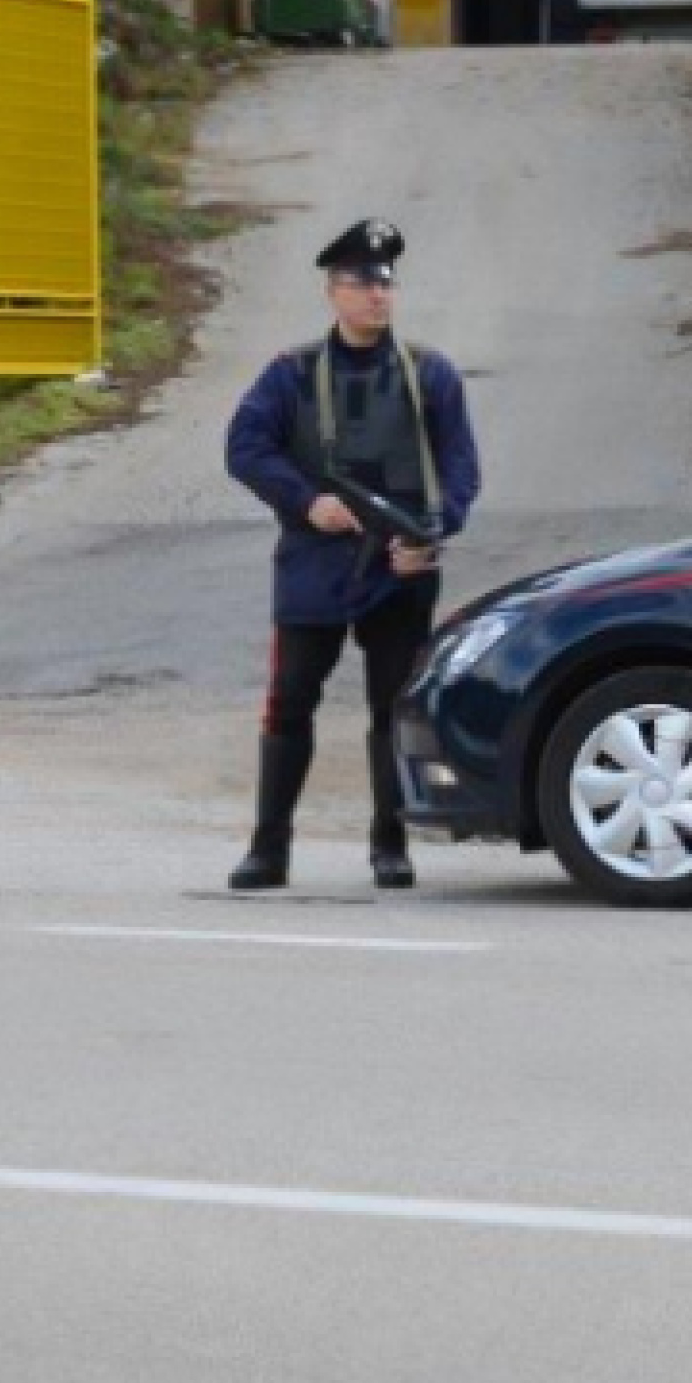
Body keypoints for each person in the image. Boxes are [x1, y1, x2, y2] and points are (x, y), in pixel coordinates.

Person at [223, 219, 482, 892]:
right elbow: (245, 447)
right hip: (314, 568)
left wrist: (427, 537)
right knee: (288, 705)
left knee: (391, 710)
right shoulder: (292, 374)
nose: (377, 294)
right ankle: (268, 848)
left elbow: (461, 474)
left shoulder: (431, 374)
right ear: (331, 291)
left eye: (385, 282)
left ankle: (389, 845)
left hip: (398, 574)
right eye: (362, 282)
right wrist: (308, 503)